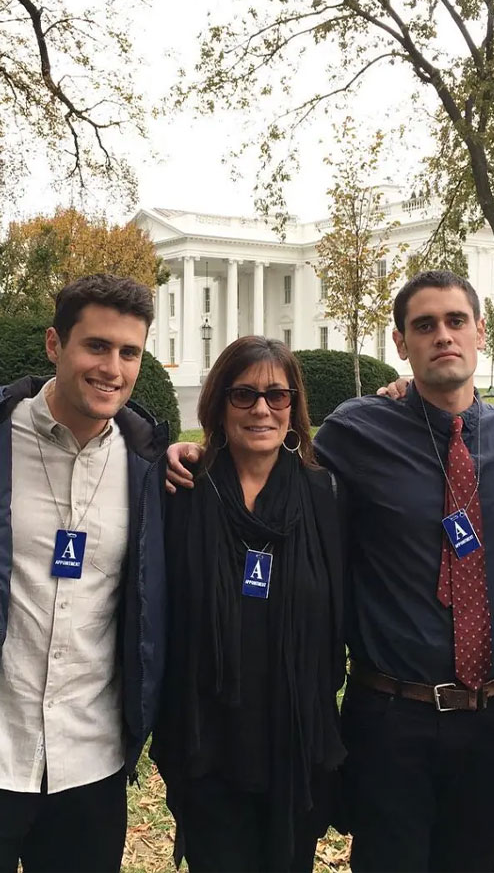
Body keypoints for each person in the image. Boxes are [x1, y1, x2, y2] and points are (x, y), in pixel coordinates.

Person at [167, 269, 494, 872]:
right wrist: (188, 453)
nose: (442, 336)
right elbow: (273, 453)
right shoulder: (357, 431)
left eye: (455, 321)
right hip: (391, 714)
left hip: (493, 715)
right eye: (424, 326)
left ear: (480, 332)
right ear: (400, 343)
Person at [151, 336, 346, 873]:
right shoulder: (181, 492)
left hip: (296, 748)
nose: (262, 408)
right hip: (209, 750)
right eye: (244, 395)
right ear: (218, 404)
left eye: (277, 396)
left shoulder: (325, 495)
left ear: (293, 407)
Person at [0, 274, 168, 873]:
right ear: (54, 344)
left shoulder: (148, 462)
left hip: (90, 764)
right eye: (96, 346)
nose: (113, 368)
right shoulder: (3, 434)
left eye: (129, 353)